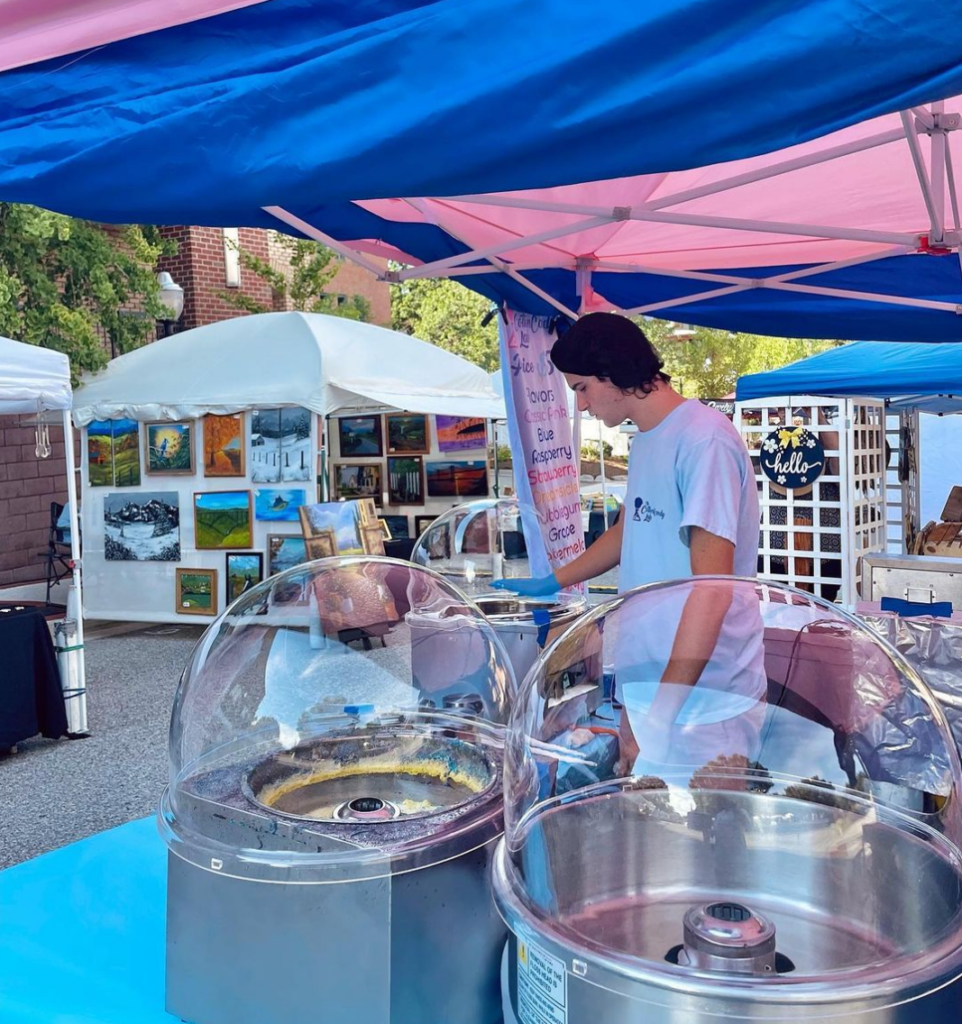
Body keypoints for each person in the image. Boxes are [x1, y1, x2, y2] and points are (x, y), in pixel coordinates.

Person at [493, 312, 764, 777]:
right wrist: (551, 582)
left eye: (581, 388)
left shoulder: (704, 441)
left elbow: (712, 590)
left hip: (705, 698)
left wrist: (661, 713)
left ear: (614, 373)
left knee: (703, 835)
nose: (580, 406)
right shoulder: (646, 441)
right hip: (651, 684)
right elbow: (628, 530)